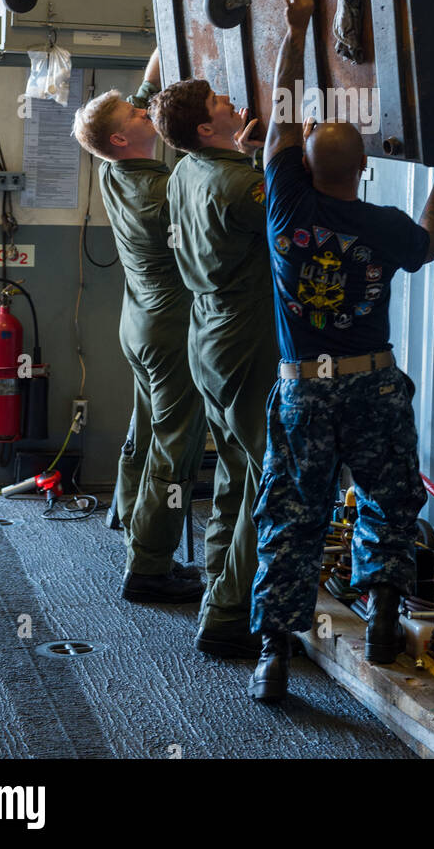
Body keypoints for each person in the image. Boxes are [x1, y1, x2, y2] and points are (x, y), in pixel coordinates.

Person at [247, 0, 434, 703]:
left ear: (304, 165)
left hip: (302, 388)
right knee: (386, 497)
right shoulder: (381, 223)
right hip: (371, 381)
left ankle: (273, 656)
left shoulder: (287, 201)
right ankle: (379, 616)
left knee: (292, 512)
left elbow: (283, 108)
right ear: (361, 171)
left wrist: (296, 28)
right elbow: (430, 244)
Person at [71, 50, 206, 604]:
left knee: (147, 428)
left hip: (139, 325)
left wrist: (165, 43)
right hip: (171, 329)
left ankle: (128, 516)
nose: (145, 112)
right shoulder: (162, 194)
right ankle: (149, 565)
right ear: (123, 139)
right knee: (176, 448)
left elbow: (149, 88)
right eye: (136, 116)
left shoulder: (113, 169)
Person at [148, 82, 276, 659]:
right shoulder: (244, 185)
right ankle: (228, 615)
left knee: (233, 472)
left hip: (206, 337)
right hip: (247, 336)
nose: (234, 103)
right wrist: (270, 159)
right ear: (205, 128)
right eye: (222, 104)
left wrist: (247, 155)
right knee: (270, 477)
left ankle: (220, 596)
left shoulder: (185, 173)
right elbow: (290, 215)